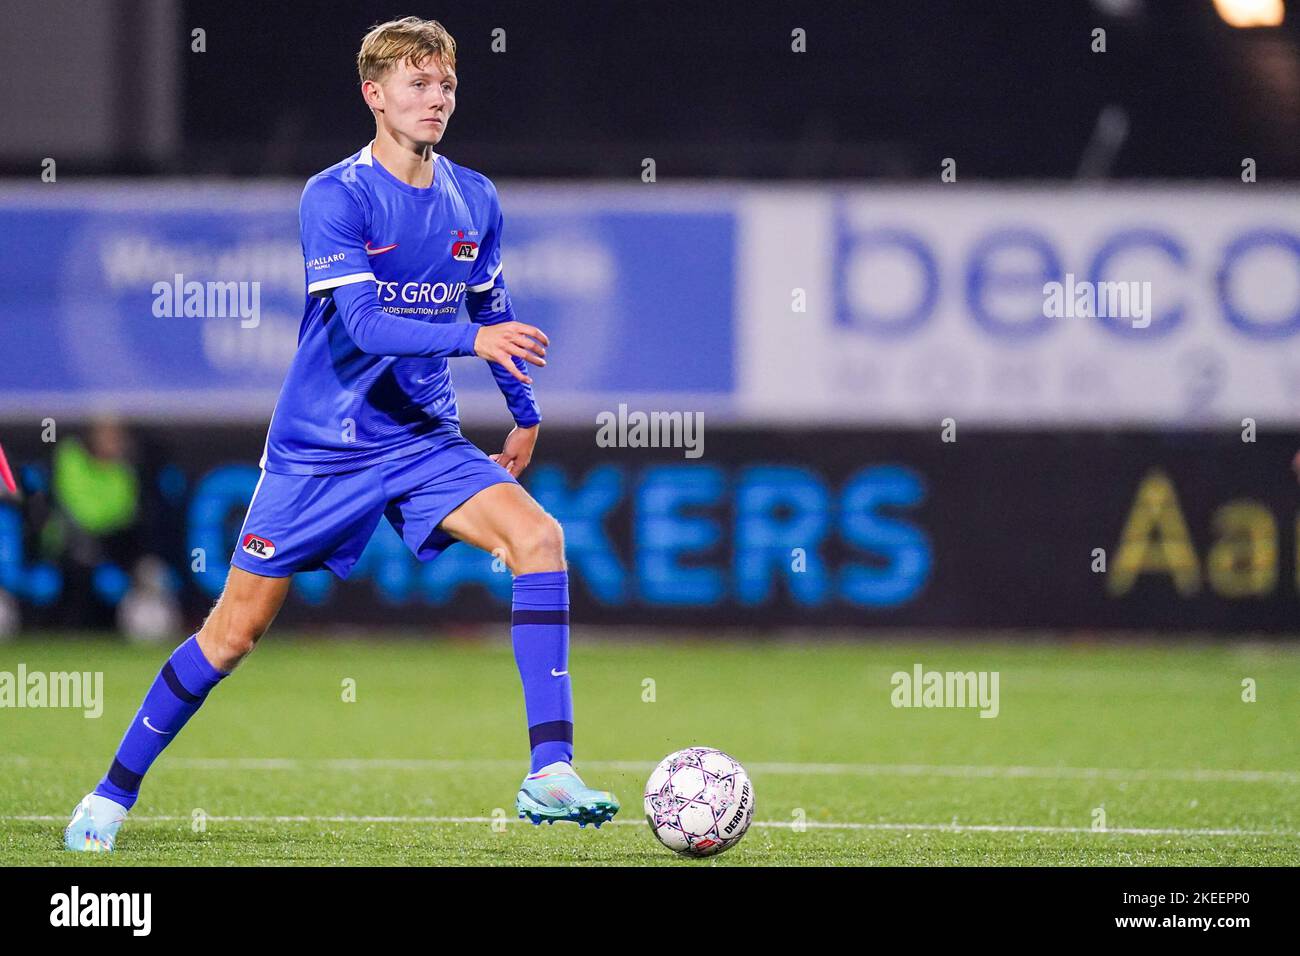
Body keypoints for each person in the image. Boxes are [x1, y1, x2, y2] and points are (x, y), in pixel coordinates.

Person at [64, 16, 618, 852]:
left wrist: (524, 409)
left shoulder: (477, 197)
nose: (437, 99)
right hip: (322, 447)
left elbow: (491, 310)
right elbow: (362, 322)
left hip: (424, 439)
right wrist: (474, 342)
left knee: (539, 537)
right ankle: (109, 795)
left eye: (447, 84)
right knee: (232, 635)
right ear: (375, 94)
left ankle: (550, 772)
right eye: (418, 83)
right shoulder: (337, 195)